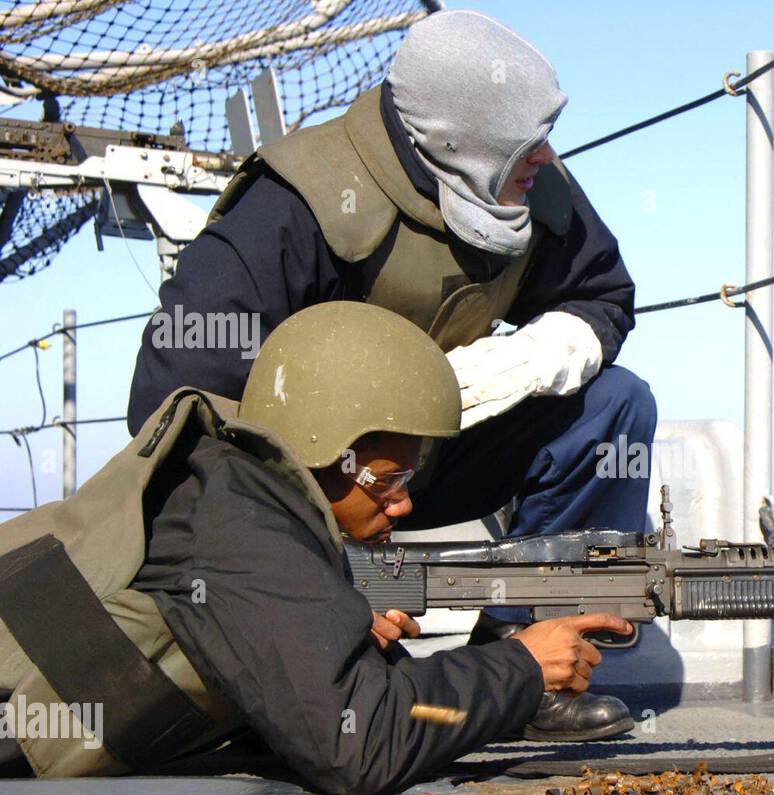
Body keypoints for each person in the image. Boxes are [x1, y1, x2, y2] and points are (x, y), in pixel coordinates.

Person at [124, 8, 656, 738]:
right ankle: (318, 658)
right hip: (313, 486)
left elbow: (601, 295)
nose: (543, 158)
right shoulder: (297, 201)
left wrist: (517, 363)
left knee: (614, 407)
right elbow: (177, 399)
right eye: (522, 145)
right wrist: (312, 575)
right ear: (453, 142)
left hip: (436, 458)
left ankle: (526, 659)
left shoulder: (532, 180)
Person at [0, 302, 633, 795]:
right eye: (386, 482)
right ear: (322, 448)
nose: (403, 505)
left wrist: (334, 630)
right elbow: (356, 749)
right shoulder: (243, 527)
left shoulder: (238, 485)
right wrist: (521, 665)